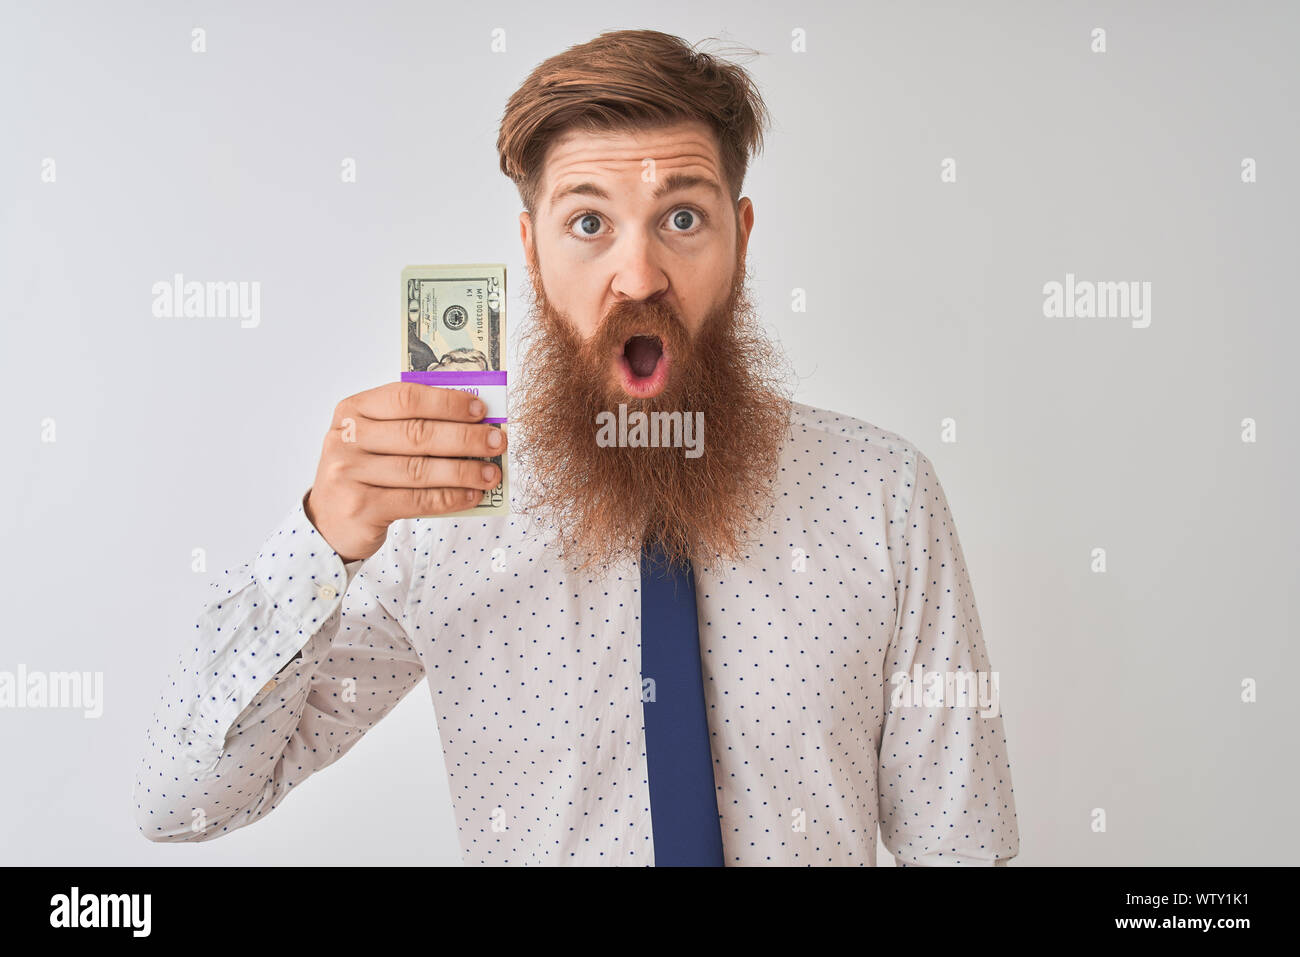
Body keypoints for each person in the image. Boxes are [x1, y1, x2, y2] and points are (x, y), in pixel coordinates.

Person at [132, 29, 1020, 866]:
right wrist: (320, 543)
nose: (638, 276)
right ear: (533, 252)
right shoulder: (442, 513)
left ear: (741, 240)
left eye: (681, 218)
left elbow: (959, 845)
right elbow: (185, 799)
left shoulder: (883, 495)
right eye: (589, 225)